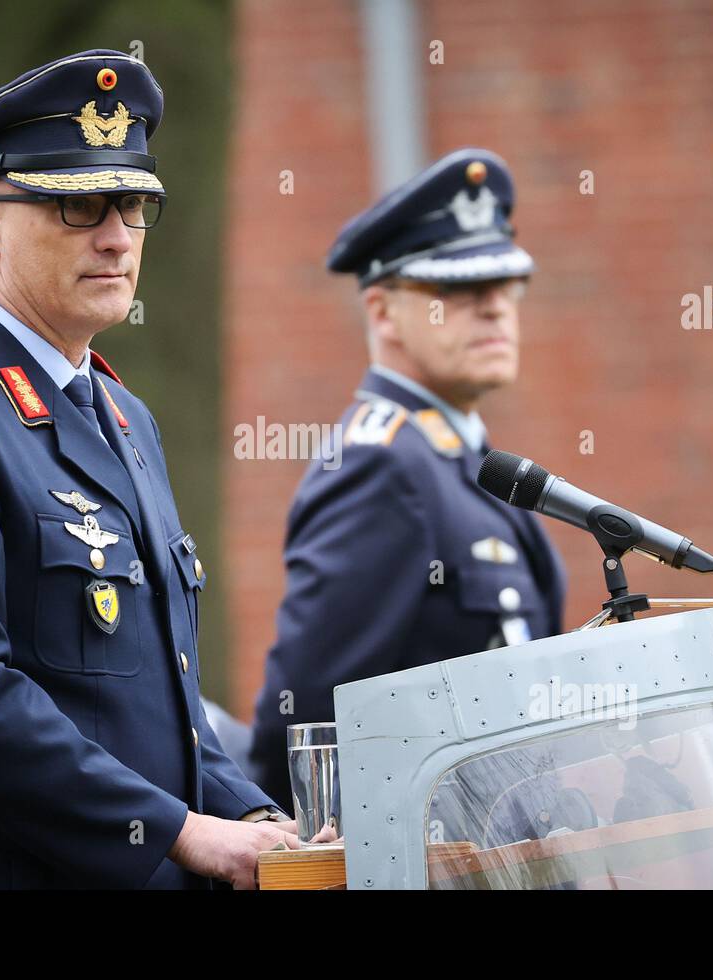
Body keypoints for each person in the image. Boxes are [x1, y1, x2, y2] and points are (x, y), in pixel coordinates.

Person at [0, 50, 296, 890]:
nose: (116, 236)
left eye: (135, 205)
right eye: (77, 205)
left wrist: (246, 813)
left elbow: (162, 703)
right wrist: (183, 833)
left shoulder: (120, 414)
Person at [248, 148, 568, 811]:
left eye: (505, 288)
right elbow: (308, 719)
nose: (495, 310)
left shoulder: (461, 461)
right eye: (456, 291)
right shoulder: (383, 466)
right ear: (384, 312)